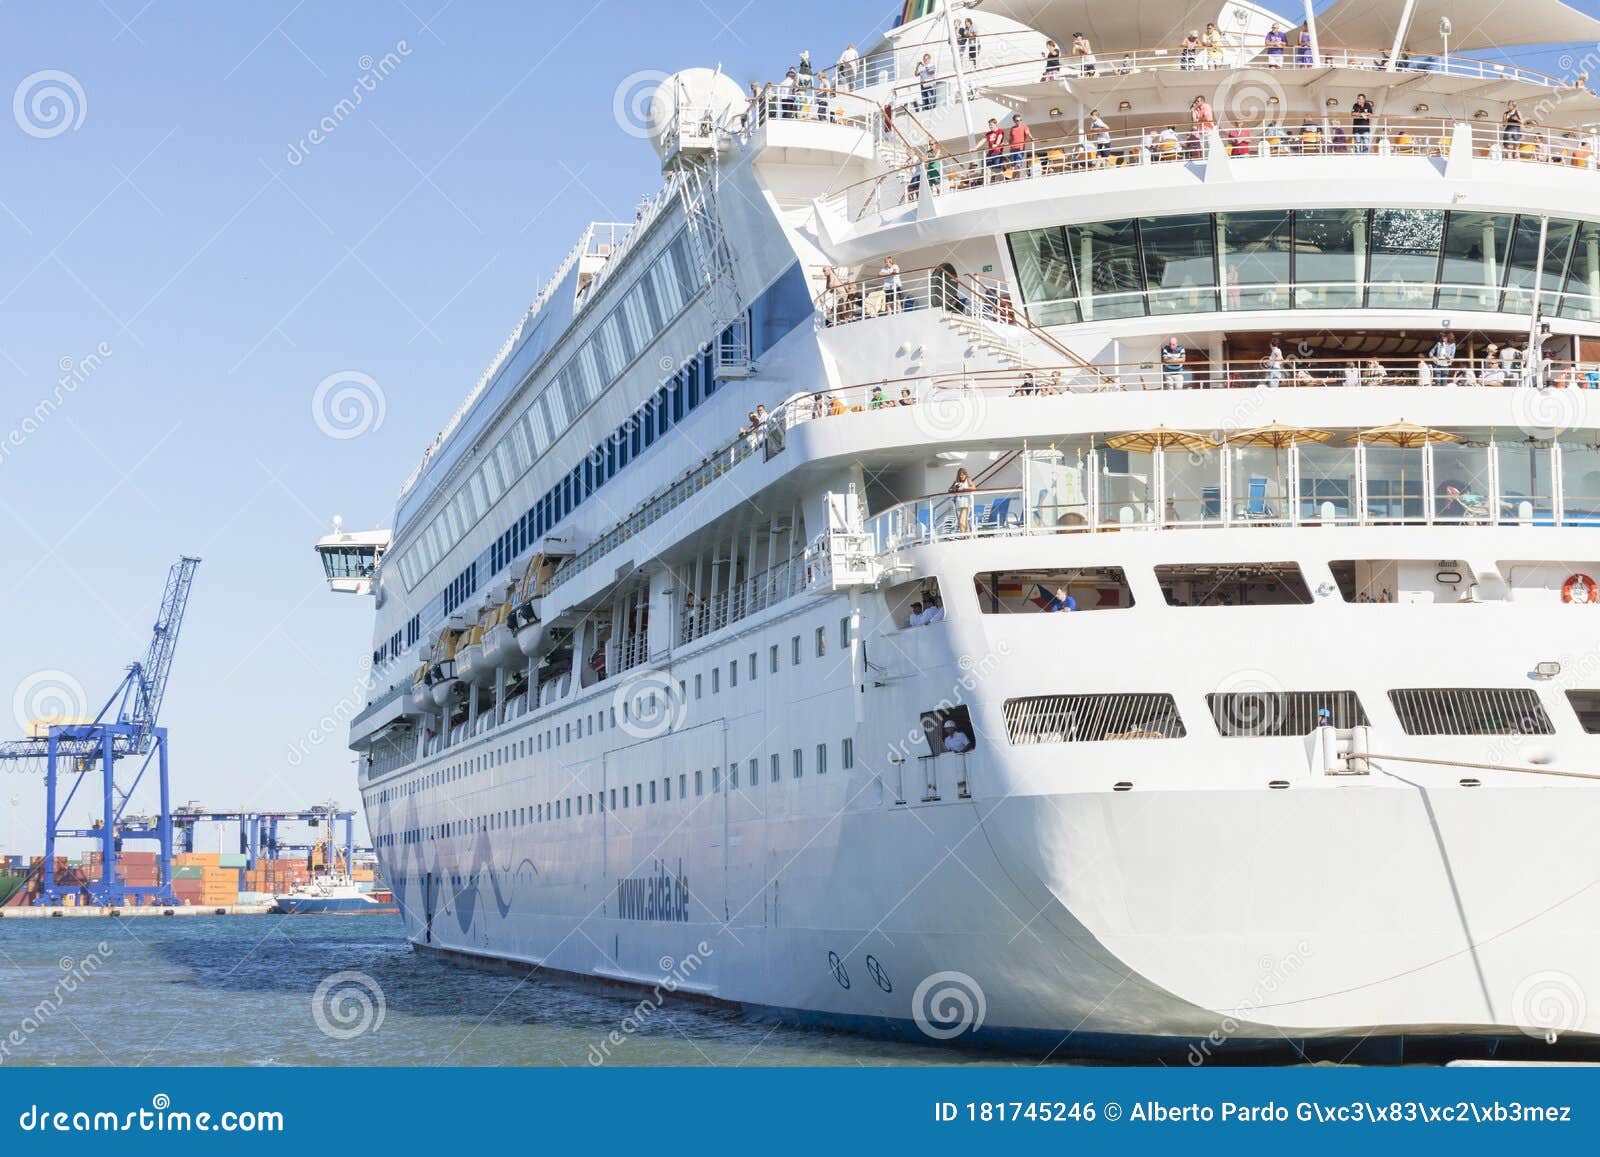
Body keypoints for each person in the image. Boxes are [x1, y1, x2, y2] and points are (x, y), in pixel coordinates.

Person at [949, 467, 975, 532]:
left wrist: (963, 489)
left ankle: (967, 535)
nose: (961, 476)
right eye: (960, 475)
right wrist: (955, 489)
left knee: (962, 520)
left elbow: (973, 487)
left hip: (966, 503)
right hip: (958, 504)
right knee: (960, 521)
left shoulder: (968, 480)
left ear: (965, 475)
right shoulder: (956, 482)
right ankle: (965, 536)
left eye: (963, 475)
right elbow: (949, 489)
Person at [983, 116, 1006, 181]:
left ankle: (1002, 183)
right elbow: (983, 140)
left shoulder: (1000, 131)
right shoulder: (988, 134)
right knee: (988, 168)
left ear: (995, 124)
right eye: (989, 125)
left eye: (991, 125)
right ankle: (987, 183)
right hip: (990, 153)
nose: (990, 126)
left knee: (998, 169)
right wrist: (975, 148)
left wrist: (996, 144)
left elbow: (999, 137)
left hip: (997, 152)